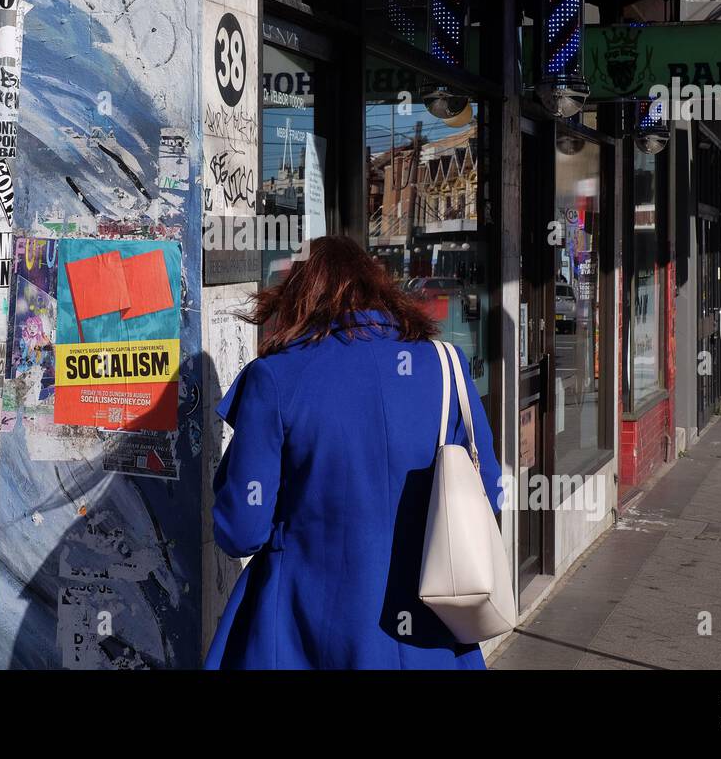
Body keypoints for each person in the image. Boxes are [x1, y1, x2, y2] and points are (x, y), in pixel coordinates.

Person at [205, 235, 503, 669]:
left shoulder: (276, 378)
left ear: (299, 298)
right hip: (429, 633)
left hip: (305, 633)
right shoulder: (446, 366)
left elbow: (242, 531)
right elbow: (490, 492)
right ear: (380, 288)